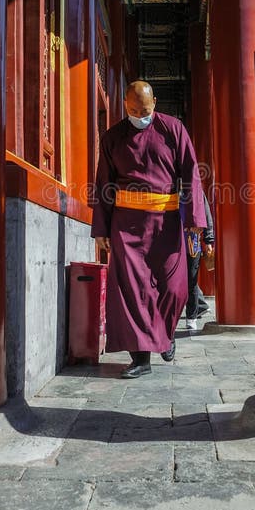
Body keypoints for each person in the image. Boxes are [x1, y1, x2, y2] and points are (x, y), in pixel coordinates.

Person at [91, 80, 206, 378]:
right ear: (125, 106)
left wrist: (195, 221)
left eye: (143, 109)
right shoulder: (113, 137)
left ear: (154, 102)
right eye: (132, 109)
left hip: (165, 221)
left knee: (175, 286)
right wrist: (101, 228)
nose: (138, 114)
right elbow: (104, 184)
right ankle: (141, 358)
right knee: (132, 291)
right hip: (126, 225)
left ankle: (164, 335)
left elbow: (191, 173)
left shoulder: (173, 129)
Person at [184, 192, 214, 330]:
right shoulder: (167, 184)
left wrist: (208, 239)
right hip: (170, 241)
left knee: (191, 280)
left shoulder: (195, 190)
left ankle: (191, 317)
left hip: (191, 241)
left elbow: (206, 214)